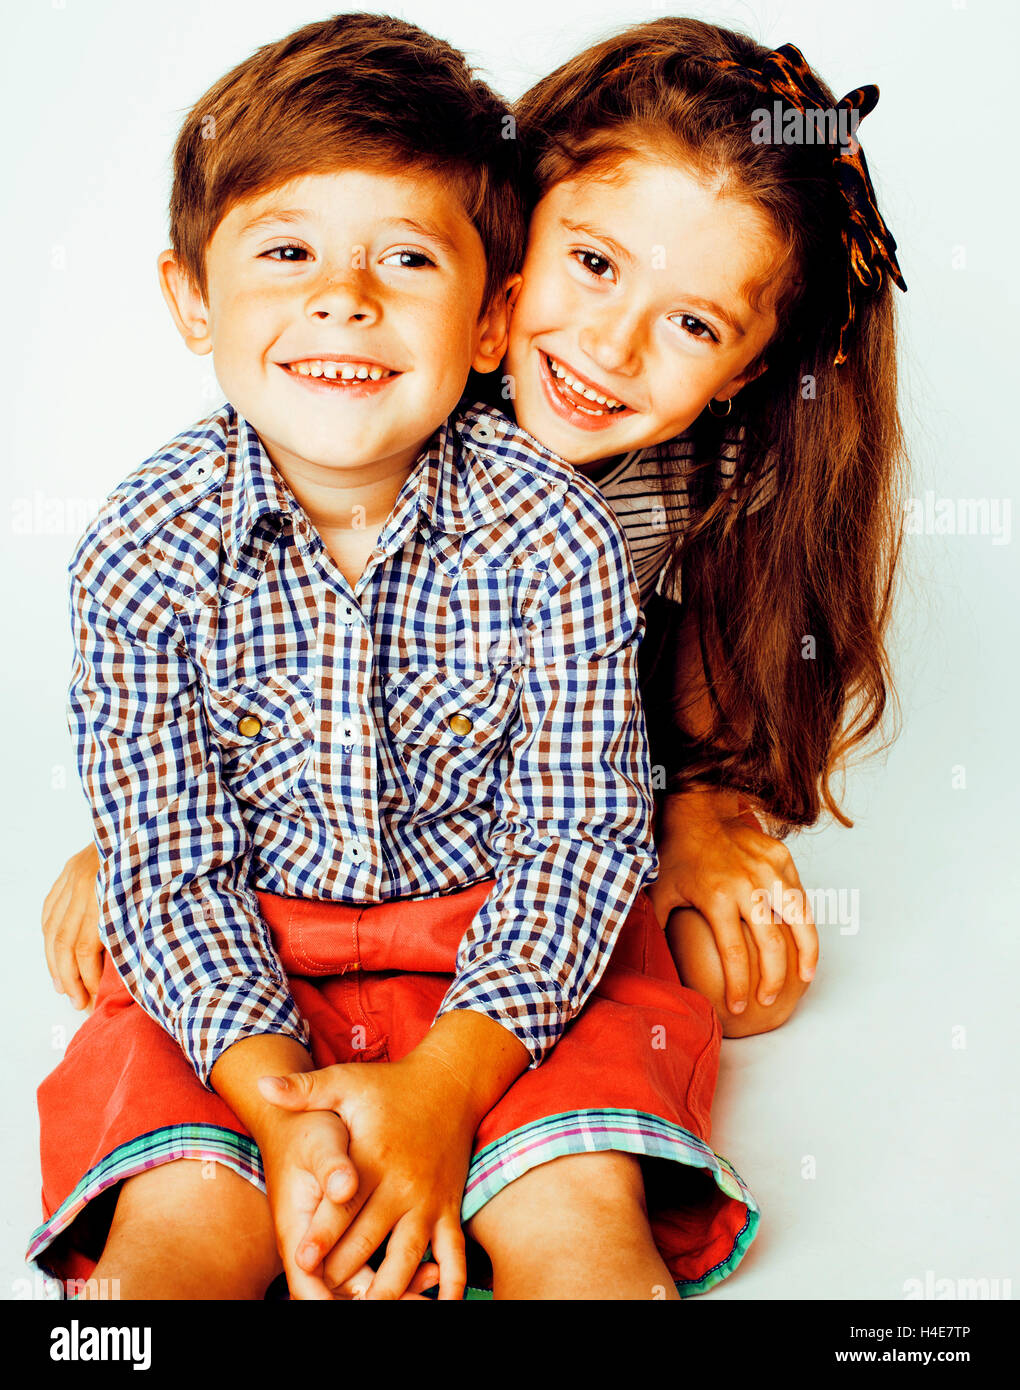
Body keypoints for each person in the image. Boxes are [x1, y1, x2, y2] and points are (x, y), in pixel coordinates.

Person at [27, 12, 760, 1302]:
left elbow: (580, 842)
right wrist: (280, 1106)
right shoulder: (141, 549)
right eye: (290, 250)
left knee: (581, 1221)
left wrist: (441, 1087)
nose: (344, 297)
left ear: (488, 321)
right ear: (192, 299)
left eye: (408, 258)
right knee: (175, 1240)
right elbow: (171, 867)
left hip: (520, 958)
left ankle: (532, 1187)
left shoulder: (556, 534)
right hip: (244, 956)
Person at [45, 17, 907, 1039]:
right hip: (309, 802)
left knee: (728, 982)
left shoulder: (706, 467)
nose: (610, 347)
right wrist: (139, 845)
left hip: (556, 804)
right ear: (518, 221)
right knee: (150, 939)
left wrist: (703, 802)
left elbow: (708, 637)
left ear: (749, 367)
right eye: (591, 262)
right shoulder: (388, 387)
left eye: (693, 324)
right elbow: (230, 631)